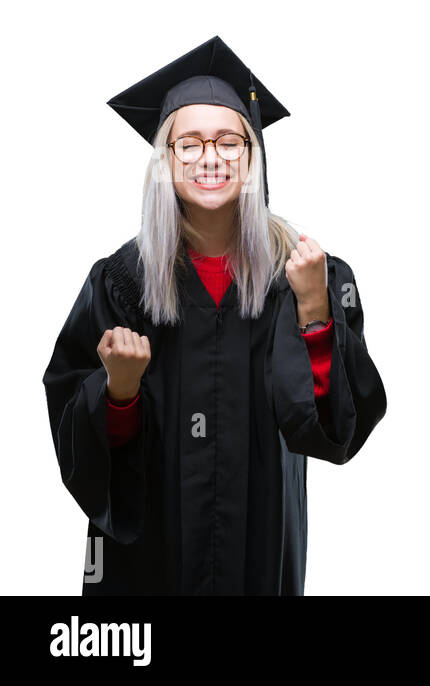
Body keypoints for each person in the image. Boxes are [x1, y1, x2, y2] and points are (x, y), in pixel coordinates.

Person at [42, 36, 387, 595]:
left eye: (230, 142)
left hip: (261, 541)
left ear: (253, 158)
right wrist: (119, 394)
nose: (210, 157)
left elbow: (335, 434)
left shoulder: (303, 275)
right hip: (150, 559)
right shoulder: (121, 282)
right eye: (190, 143)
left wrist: (316, 315)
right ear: (165, 159)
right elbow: (77, 439)